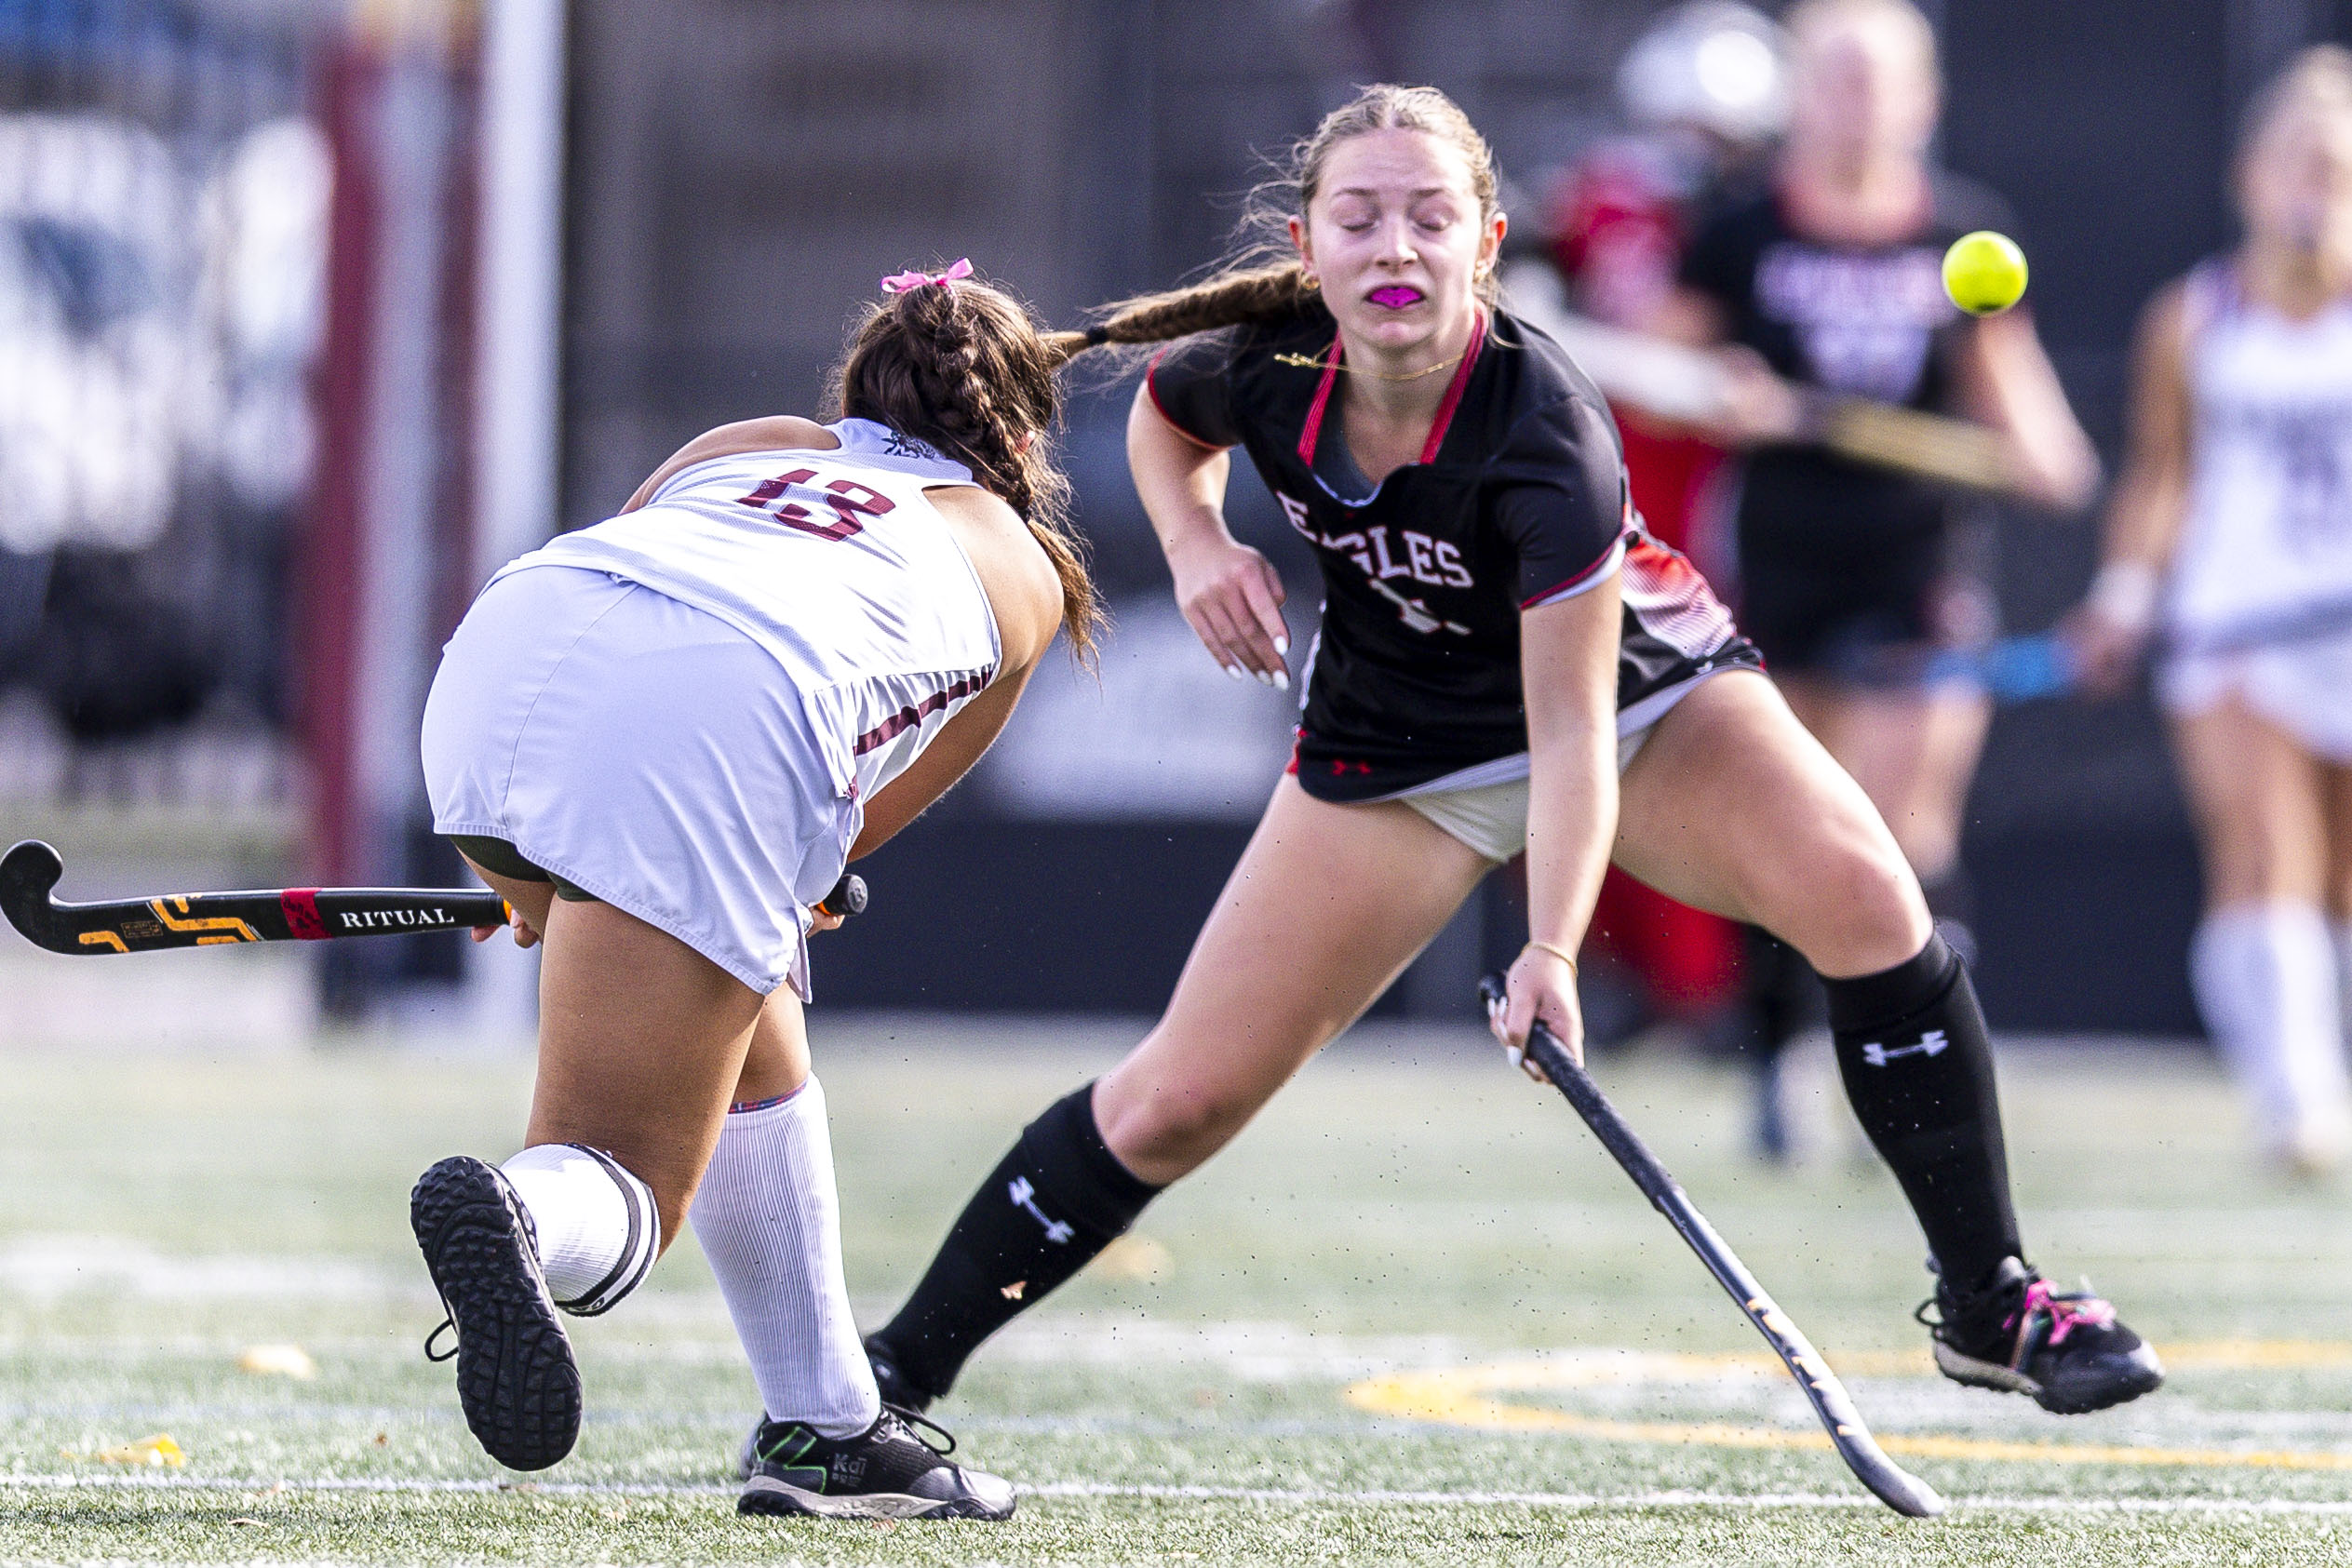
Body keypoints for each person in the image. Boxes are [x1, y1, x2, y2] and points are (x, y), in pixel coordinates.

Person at [858, 85, 2161, 1437]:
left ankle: (1991, 1304)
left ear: (1485, 244)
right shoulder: (1266, 359)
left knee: (1871, 903)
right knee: (1174, 1100)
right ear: (1306, 247)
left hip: (1639, 711)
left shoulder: (1543, 429)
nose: (1394, 248)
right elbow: (1165, 422)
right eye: (1359, 218)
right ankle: (882, 1383)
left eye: (1430, 219)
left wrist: (1551, 948)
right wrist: (1198, 546)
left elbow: (1570, 732)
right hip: (1394, 743)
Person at [410, 261, 1098, 1520]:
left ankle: (825, 1429)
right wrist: (773, 873)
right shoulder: (1022, 566)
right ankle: (527, 1210)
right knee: (621, 1192)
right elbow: (841, 836)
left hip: (494, 664)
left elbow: (632, 606)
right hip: (698, 730)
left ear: (859, 392)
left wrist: (560, 882)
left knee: (753, 1019)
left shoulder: (755, 442)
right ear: (1016, 442)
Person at [1654, 0, 2100, 1156]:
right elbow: (1649, 366)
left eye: (1876, 80)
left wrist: (2043, 456)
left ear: (1922, 101)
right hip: (1777, 563)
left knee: (1901, 826)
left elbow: (2026, 419)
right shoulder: (1741, 232)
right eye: (1834, 78)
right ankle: (1781, 1053)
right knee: (1785, 823)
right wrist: (1718, 390)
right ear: (1801, 96)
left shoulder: (1959, 238)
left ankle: (1915, 1059)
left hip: (1917, 569)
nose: (1854, 104)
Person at [2068, 47, 2352, 1173]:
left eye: (2335, 169)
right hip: (2235, 621)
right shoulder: (2195, 317)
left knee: (2338, 879)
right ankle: (2297, 1103)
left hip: (2342, 626)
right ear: (2248, 178)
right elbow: (2162, 472)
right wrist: (2124, 595)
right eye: (2297, 164)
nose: (2312, 189)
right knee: (2264, 846)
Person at [1542, 0, 1790, 1033]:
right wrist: (1677, 378)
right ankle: (1616, 969)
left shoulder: (1765, 221)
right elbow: (1541, 324)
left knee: (1700, 727)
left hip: (1715, 506)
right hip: (1604, 482)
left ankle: (1715, 983)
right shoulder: (1595, 202)